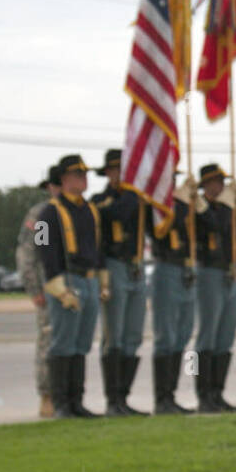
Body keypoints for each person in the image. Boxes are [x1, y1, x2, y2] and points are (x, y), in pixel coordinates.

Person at [36, 154, 106, 419]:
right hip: (66, 279)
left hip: (89, 279)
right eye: (78, 175)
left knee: (81, 343)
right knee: (63, 343)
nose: (83, 179)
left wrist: (102, 279)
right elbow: (42, 246)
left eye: (85, 175)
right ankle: (61, 403)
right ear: (64, 179)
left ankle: (77, 400)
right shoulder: (48, 212)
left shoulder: (89, 210)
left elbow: (97, 247)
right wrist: (56, 285)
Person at [92, 149, 149, 416]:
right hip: (113, 266)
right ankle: (112, 400)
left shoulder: (137, 199)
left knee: (133, 335)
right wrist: (133, 194)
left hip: (137, 265)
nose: (121, 175)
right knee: (113, 336)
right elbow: (118, 213)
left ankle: (124, 397)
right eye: (116, 170)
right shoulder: (100, 200)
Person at [192, 163, 236, 412]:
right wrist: (226, 205)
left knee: (225, 338)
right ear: (206, 185)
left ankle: (217, 393)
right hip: (207, 271)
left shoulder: (227, 208)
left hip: (228, 272)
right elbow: (215, 225)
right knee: (205, 339)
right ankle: (202, 394)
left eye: (222, 182)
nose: (220, 186)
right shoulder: (200, 208)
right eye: (215, 182)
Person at [150, 173, 197, 415]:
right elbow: (166, 224)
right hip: (167, 267)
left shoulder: (182, 204)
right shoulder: (158, 204)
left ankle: (172, 395)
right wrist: (181, 202)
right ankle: (162, 398)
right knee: (166, 336)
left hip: (186, 269)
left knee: (182, 336)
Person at [17, 165, 60, 417]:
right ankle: (47, 395)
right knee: (49, 340)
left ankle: (68, 394)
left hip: (74, 286)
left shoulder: (78, 211)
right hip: (50, 286)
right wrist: (34, 287)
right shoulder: (42, 215)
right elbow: (32, 253)